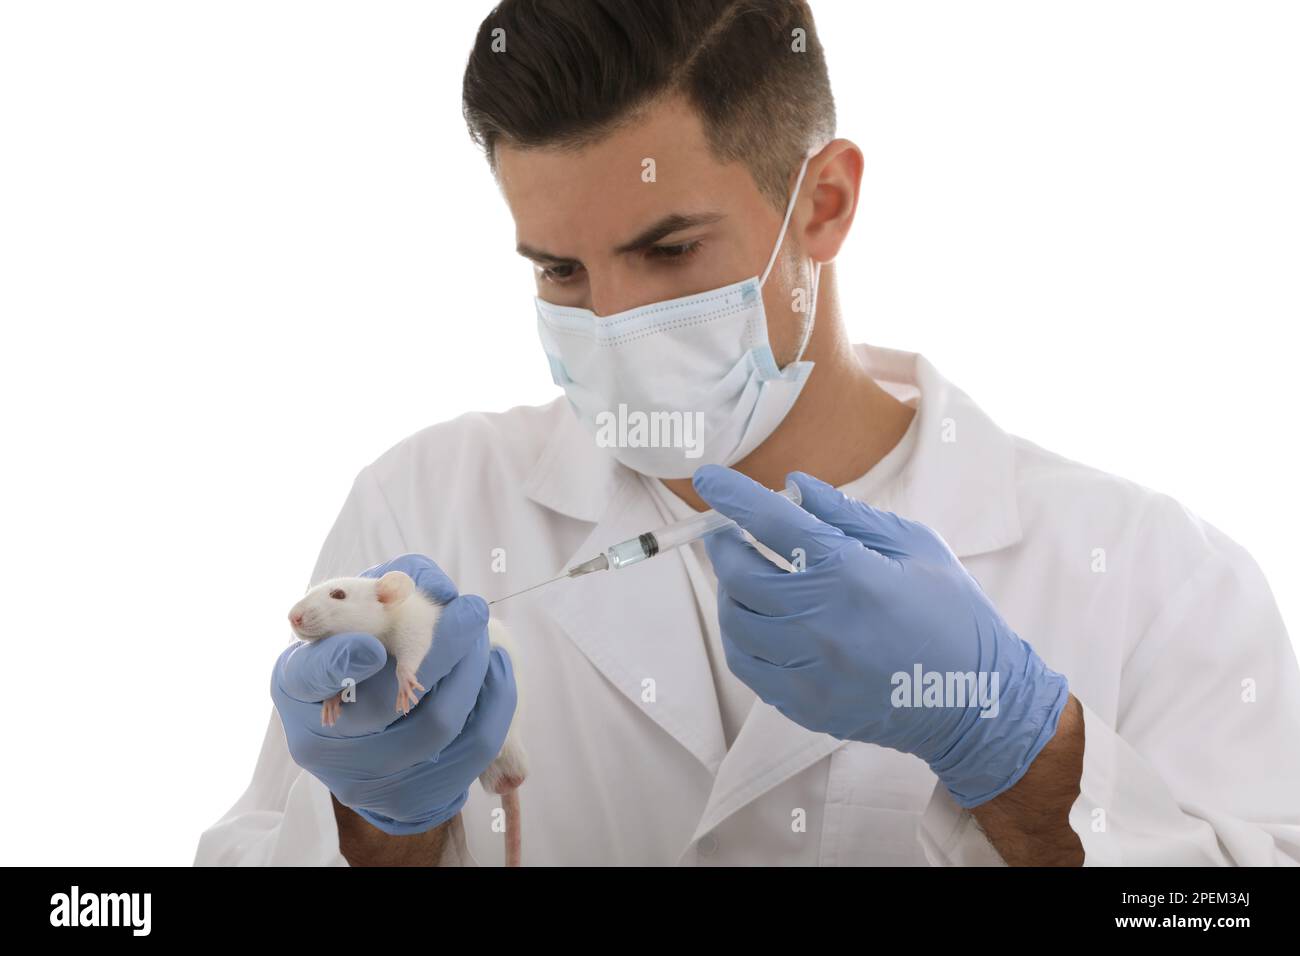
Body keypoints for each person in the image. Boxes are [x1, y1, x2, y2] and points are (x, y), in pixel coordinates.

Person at [195, 0, 1300, 866]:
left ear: (821, 204)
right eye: (560, 270)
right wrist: (375, 820)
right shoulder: (429, 505)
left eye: (669, 251)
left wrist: (1012, 744)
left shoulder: (1150, 574)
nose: (613, 324)